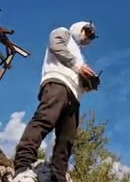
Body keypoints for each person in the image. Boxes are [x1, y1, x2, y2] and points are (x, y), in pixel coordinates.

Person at [9, 21, 98, 182]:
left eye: (91, 36)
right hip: (57, 83)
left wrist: (88, 82)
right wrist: (79, 67)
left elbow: (77, 69)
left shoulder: (78, 53)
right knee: (44, 121)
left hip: (74, 96)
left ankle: (59, 177)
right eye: (87, 31)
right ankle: (23, 167)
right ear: (79, 27)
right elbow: (55, 45)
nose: (88, 37)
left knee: (66, 139)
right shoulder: (64, 33)